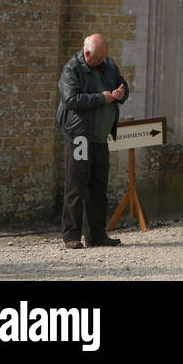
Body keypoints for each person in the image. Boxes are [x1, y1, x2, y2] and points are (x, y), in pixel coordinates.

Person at [57, 33, 130, 250]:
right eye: (98, 58)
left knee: (98, 188)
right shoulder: (72, 69)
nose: (102, 61)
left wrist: (120, 93)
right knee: (76, 187)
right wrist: (103, 98)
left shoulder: (108, 64)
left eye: (104, 57)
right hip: (80, 137)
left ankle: (96, 235)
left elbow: (122, 84)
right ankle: (71, 235)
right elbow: (71, 100)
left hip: (100, 138)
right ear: (87, 54)